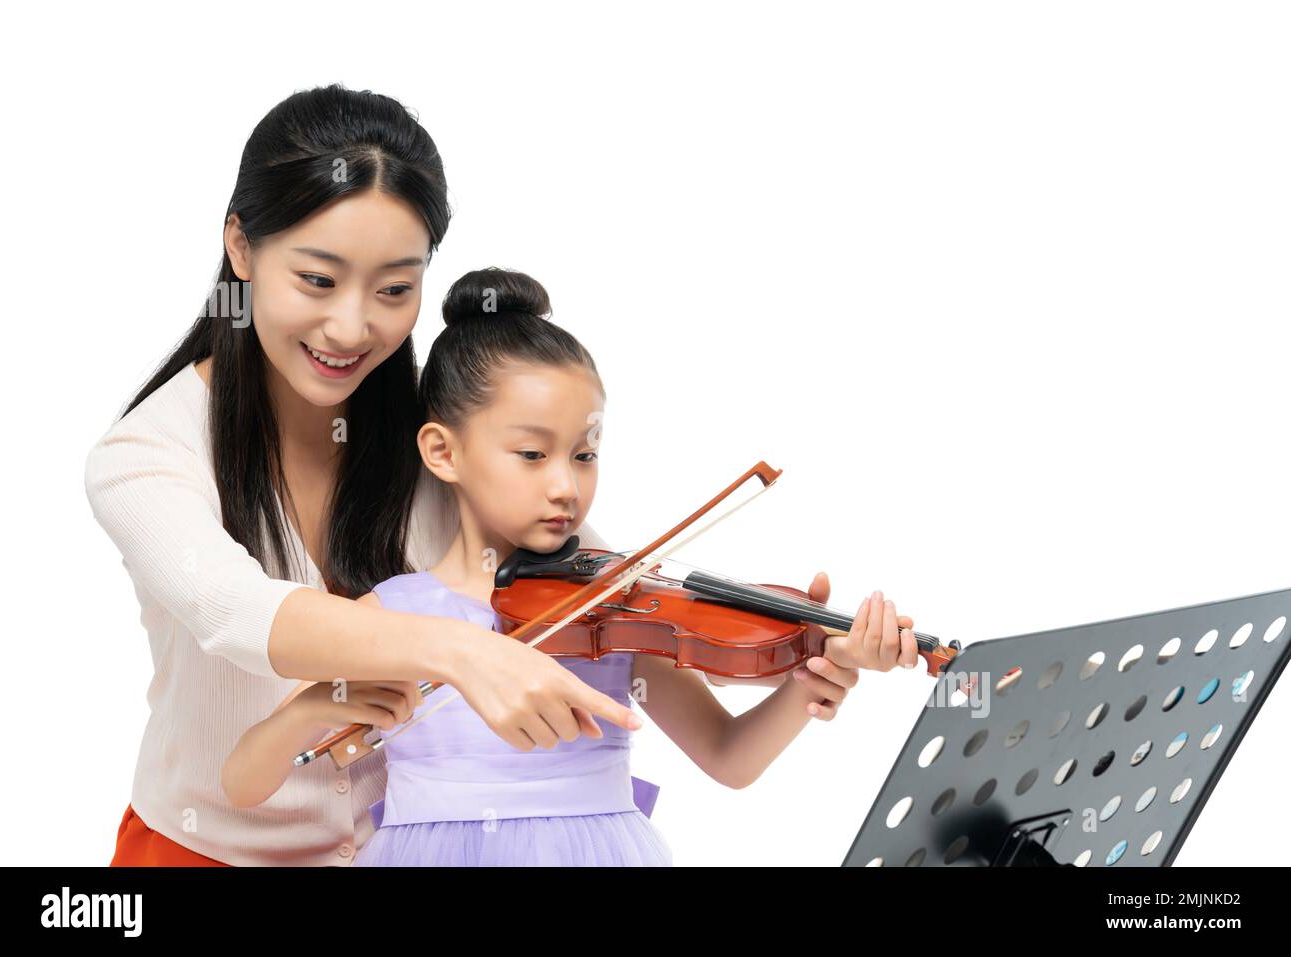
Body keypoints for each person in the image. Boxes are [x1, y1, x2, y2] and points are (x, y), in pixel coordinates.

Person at [86, 85, 640, 867]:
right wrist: (460, 650)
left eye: (393, 290)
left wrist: (809, 648)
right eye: (317, 280)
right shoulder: (146, 452)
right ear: (241, 250)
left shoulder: (443, 441)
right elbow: (235, 609)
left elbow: (587, 567)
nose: (352, 327)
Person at [221, 268, 917, 866]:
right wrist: (312, 706)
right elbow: (243, 781)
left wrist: (810, 683)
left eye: (584, 454)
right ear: (443, 452)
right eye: (533, 453)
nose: (566, 485)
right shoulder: (395, 615)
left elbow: (728, 756)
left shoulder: (615, 611)